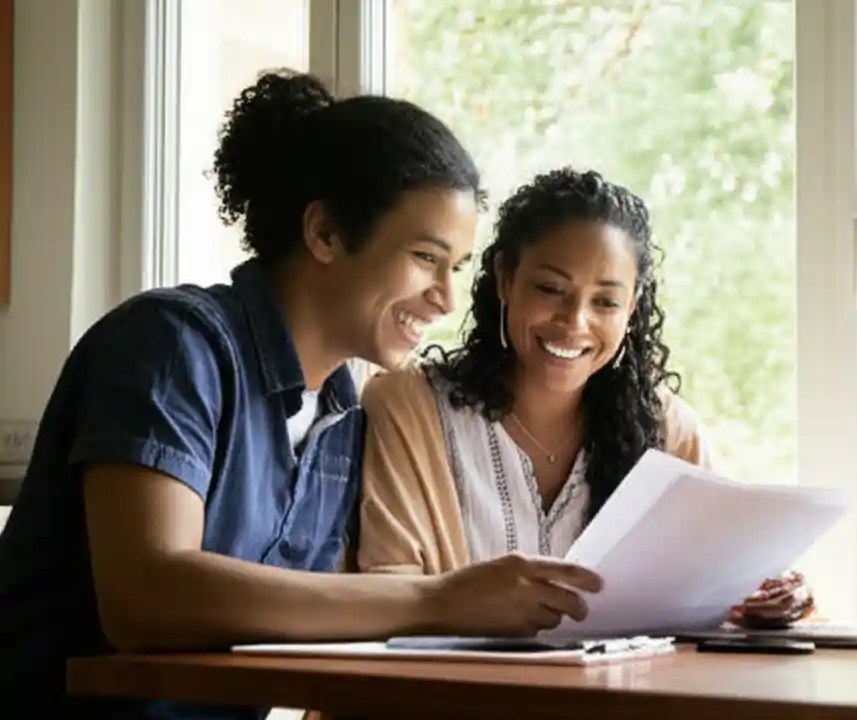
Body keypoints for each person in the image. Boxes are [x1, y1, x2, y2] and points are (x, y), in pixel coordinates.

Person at [0, 71, 601, 719]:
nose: (447, 299)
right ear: (324, 234)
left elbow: (317, 615)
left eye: (454, 268)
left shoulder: (346, 416)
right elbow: (147, 597)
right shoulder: (172, 346)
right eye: (426, 257)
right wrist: (440, 599)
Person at [356, 167, 813, 627]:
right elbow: (387, 591)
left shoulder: (668, 428)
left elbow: (722, 582)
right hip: (451, 699)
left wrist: (771, 593)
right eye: (550, 289)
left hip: (623, 699)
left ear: (632, 308)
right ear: (505, 281)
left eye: (606, 302)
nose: (574, 322)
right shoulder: (409, 405)